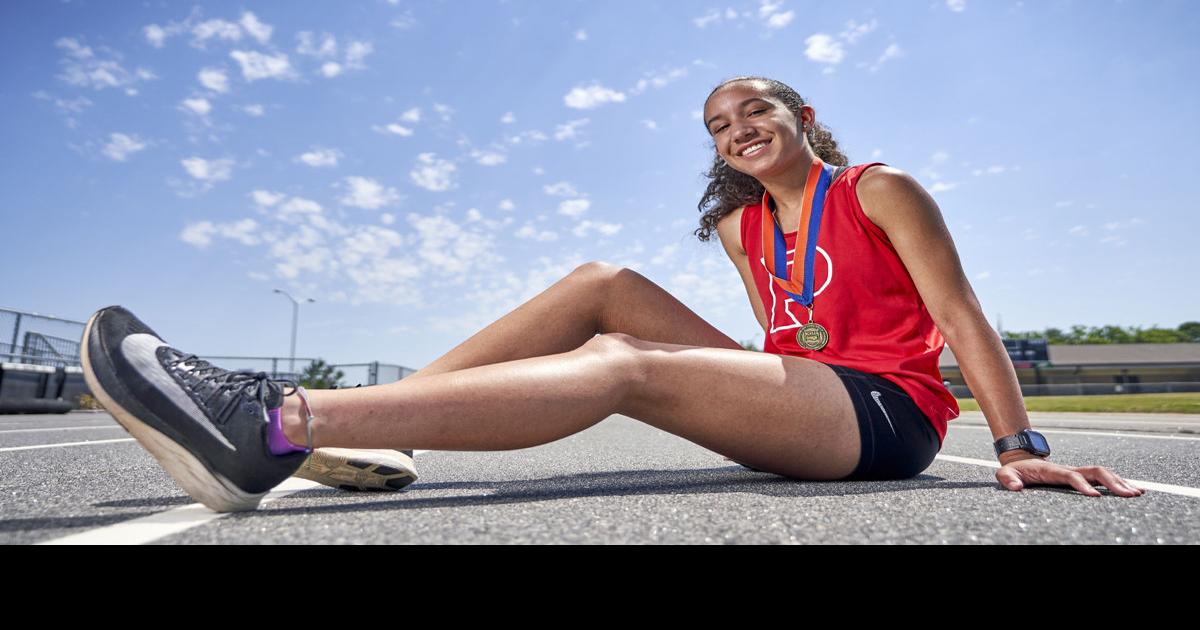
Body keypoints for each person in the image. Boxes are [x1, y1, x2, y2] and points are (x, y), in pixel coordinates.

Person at [79, 75, 1144, 513]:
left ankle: (270, 425)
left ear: (804, 115)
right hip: (807, 386)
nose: (737, 133)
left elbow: (959, 317)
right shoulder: (740, 225)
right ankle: (384, 437)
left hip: (883, 414)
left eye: (755, 113)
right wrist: (732, 378)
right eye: (720, 128)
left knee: (621, 369)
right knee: (602, 286)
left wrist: (1021, 450)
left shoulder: (880, 188)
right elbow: (777, 333)